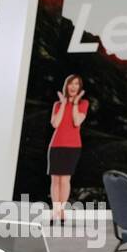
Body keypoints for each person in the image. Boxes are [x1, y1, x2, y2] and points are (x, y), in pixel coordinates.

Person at [48, 74, 88, 223]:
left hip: (73, 146)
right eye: (71, 83)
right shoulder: (57, 105)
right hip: (56, 145)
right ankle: (55, 211)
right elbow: (55, 124)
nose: (73, 86)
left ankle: (62, 211)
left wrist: (75, 104)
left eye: (76, 84)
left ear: (79, 87)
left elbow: (77, 121)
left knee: (65, 180)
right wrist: (64, 104)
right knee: (55, 180)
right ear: (66, 86)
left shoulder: (83, 103)